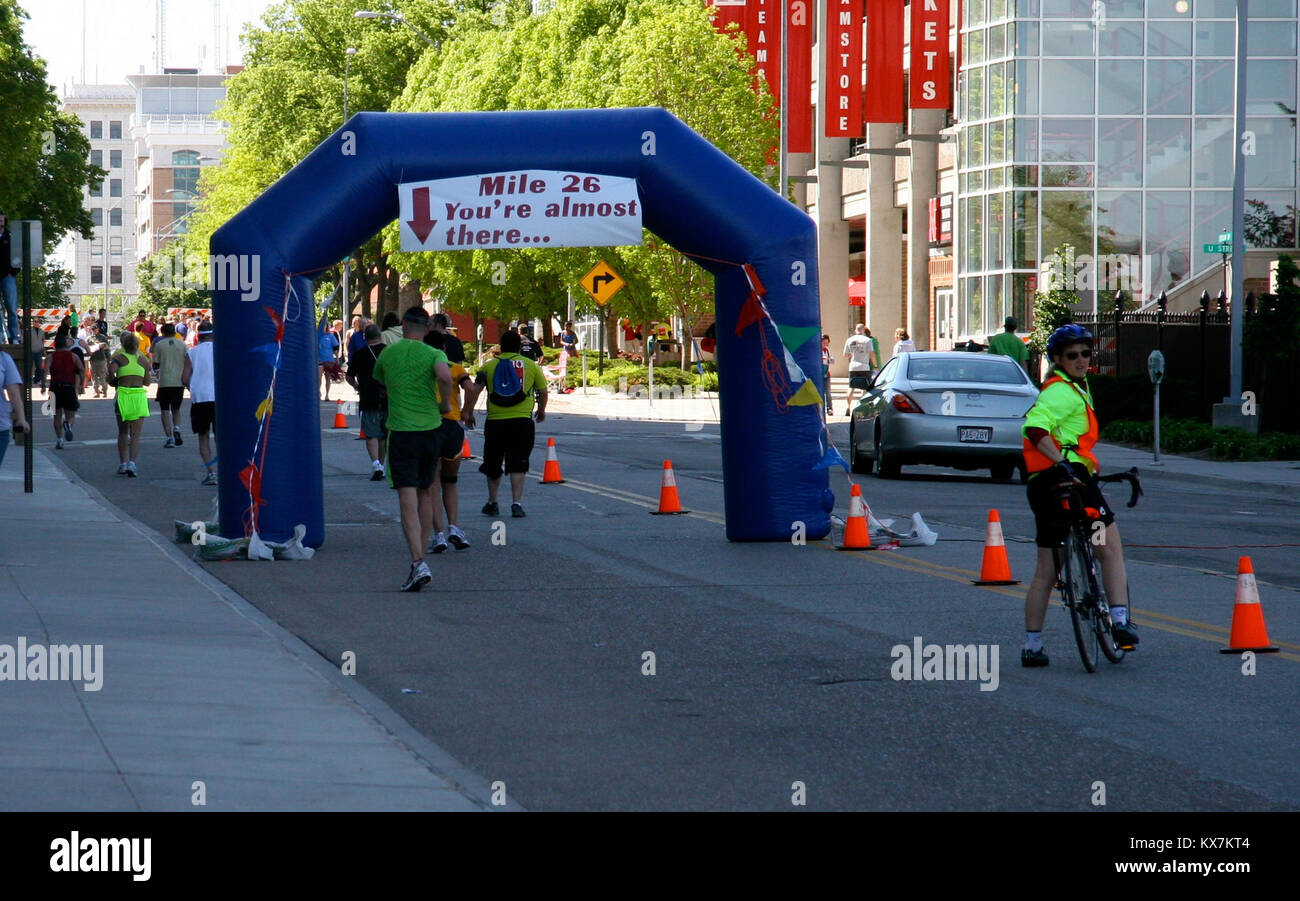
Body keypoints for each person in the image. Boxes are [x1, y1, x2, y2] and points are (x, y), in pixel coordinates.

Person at [1020, 324, 1139, 668]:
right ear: (1056, 359)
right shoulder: (1061, 392)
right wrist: (1064, 464)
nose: (1082, 360)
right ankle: (1119, 622)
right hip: (1072, 484)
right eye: (1072, 355)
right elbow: (1035, 427)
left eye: (1086, 353)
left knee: (1047, 568)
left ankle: (1032, 646)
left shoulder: (1074, 387)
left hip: (1044, 487)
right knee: (1108, 547)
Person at [371, 306, 453, 592]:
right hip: (431, 430)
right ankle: (424, 553)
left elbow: (379, 379)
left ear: (403, 325)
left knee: (406, 496)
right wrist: (445, 404)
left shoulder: (387, 354)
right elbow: (444, 376)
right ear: (428, 327)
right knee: (426, 490)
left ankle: (418, 561)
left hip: (402, 432)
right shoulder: (434, 354)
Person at [475, 328, 547, 519]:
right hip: (522, 421)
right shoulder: (531, 366)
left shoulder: (489, 366)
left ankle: (493, 502)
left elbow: (475, 389)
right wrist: (541, 410)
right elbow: (542, 391)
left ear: (501, 346)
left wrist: (467, 411)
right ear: (518, 346)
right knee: (518, 463)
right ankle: (516, 503)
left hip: (496, 421)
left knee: (493, 463)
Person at [424, 327, 480, 552]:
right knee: (451, 482)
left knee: (432, 485)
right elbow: (472, 388)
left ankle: (438, 535)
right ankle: (455, 527)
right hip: (453, 428)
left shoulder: (423, 369)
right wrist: (467, 411)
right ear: (444, 349)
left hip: (430, 425)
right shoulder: (456, 369)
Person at [346, 323, 388, 481]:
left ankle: (375, 463)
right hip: (388, 397)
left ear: (365, 338)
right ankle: (382, 466)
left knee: (371, 434)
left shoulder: (359, 354)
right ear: (380, 336)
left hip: (368, 397)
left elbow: (349, 376)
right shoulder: (388, 351)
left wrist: (357, 386)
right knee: (384, 435)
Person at [108, 331, 151, 477]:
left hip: (124, 395)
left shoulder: (119, 358)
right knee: (135, 434)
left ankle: (122, 464)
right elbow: (148, 382)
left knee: (123, 432)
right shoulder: (143, 360)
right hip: (138, 396)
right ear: (138, 346)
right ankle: (132, 463)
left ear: (123, 345)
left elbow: (111, 370)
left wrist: (112, 380)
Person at [182, 320, 218, 485]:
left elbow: (184, 377)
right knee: (222, 437)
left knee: (203, 437)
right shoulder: (221, 350)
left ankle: (211, 473)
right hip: (219, 398)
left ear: (198, 335)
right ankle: (225, 471)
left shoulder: (192, 352)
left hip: (200, 398)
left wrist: (193, 388)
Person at [153, 322, 187, 447]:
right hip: (178, 381)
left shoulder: (159, 345)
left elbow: (155, 363)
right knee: (176, 409)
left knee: (165, 410)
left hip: (165, 381)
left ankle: (169, 438)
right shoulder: (182, 345)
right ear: (174, 332)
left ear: (162, 333)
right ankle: (177, 427)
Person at [47, 334, 83, 449]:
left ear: (55, 345)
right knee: (71, 414)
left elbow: (45, 371)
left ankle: (59, 439)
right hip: (69, 387)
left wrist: (43, 384)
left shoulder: (51, 357)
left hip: (54, 388)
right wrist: (82, 384)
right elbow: (81, 369)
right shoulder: (73, 356)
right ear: (65, 344)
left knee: (56, 415)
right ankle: (68, 424)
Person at [0, 348, 29, 467]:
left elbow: (14, 392)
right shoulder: (3, 358)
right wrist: (21, 418)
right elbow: (13, 393)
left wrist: (21, 418)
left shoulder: (4, 358)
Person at [841, 323, 877, 414]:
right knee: (864, 387)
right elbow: (872, 354)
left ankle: (848, 408)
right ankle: (861, 407)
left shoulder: (849, 340)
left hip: (853, 366)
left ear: (855, 330)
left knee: (851, 387)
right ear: (864, 330)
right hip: (864, 366)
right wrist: (875, 366)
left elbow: (845, 355)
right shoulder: (868, 340)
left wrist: (851, 354)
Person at [0, 213, 18, 345]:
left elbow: (17, 255)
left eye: (1, 218)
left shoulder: (11, 236)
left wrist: (13, 272)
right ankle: (1, 336)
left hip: (7, 276)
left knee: (11, 308)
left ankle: (14, 336)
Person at [318, 318, 341, 400]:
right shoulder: (316, 335)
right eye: (322, 325)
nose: (323, 327)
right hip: (319, 360)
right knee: (319, 378)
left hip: (329, 359)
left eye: (325, 325)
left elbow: (335, 347)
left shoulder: (330, 336)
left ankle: (327, 394)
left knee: (328, 378)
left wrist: (337, 358)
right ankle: (319, 392)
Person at [29, 323, 46, 393]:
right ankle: (29, 380)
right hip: (31, 351)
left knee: (39, 366)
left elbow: (43, 341)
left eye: (38, 321)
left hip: (39, 351)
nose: (36, 323)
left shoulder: (42, 331)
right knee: (30, 366)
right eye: (35, 321)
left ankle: (37, 379)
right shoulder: (30, 331)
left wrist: (43, 350)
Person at [821, 335, 834, 416]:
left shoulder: (827, 350)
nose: (825, 344)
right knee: (820, 392)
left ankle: (829, 408)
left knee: (828, 392)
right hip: (819, 373)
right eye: (823, 342)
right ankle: (821, 408)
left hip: (826, 373)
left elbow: (829, 361)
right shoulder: (817, 350)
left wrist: (830, 360)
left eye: (826, 342)